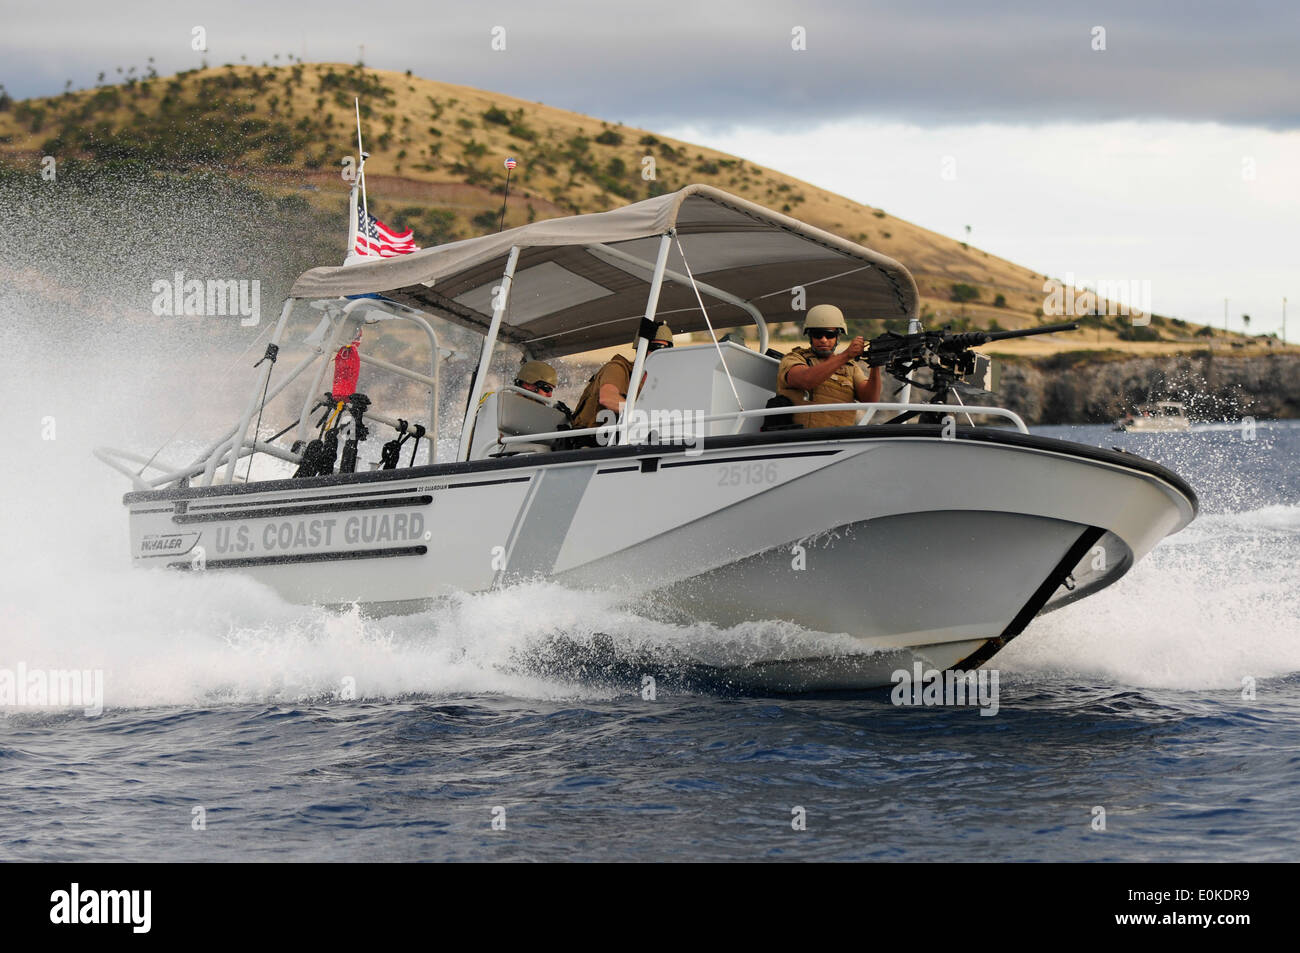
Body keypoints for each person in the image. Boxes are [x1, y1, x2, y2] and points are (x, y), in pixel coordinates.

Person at [775, 304, 881, 428]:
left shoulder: (850, 368)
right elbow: (806, 380)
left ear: (837, 337)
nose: (824, 340)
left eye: (830, 335)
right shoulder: (794, 358)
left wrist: (876, 364)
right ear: (810, 336)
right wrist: (846, 355)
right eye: (818, 335)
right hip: (802, 440)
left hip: (840, 440)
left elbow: (869, 399)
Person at [571, 322, 673, 433]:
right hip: (589, 442)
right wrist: (642, 416)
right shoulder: (617, 368)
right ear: (641, 349)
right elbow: (607, 398)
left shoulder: (657, 382)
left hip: (624, 441)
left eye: (666, 350)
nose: (660, 354)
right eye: (656, 348)